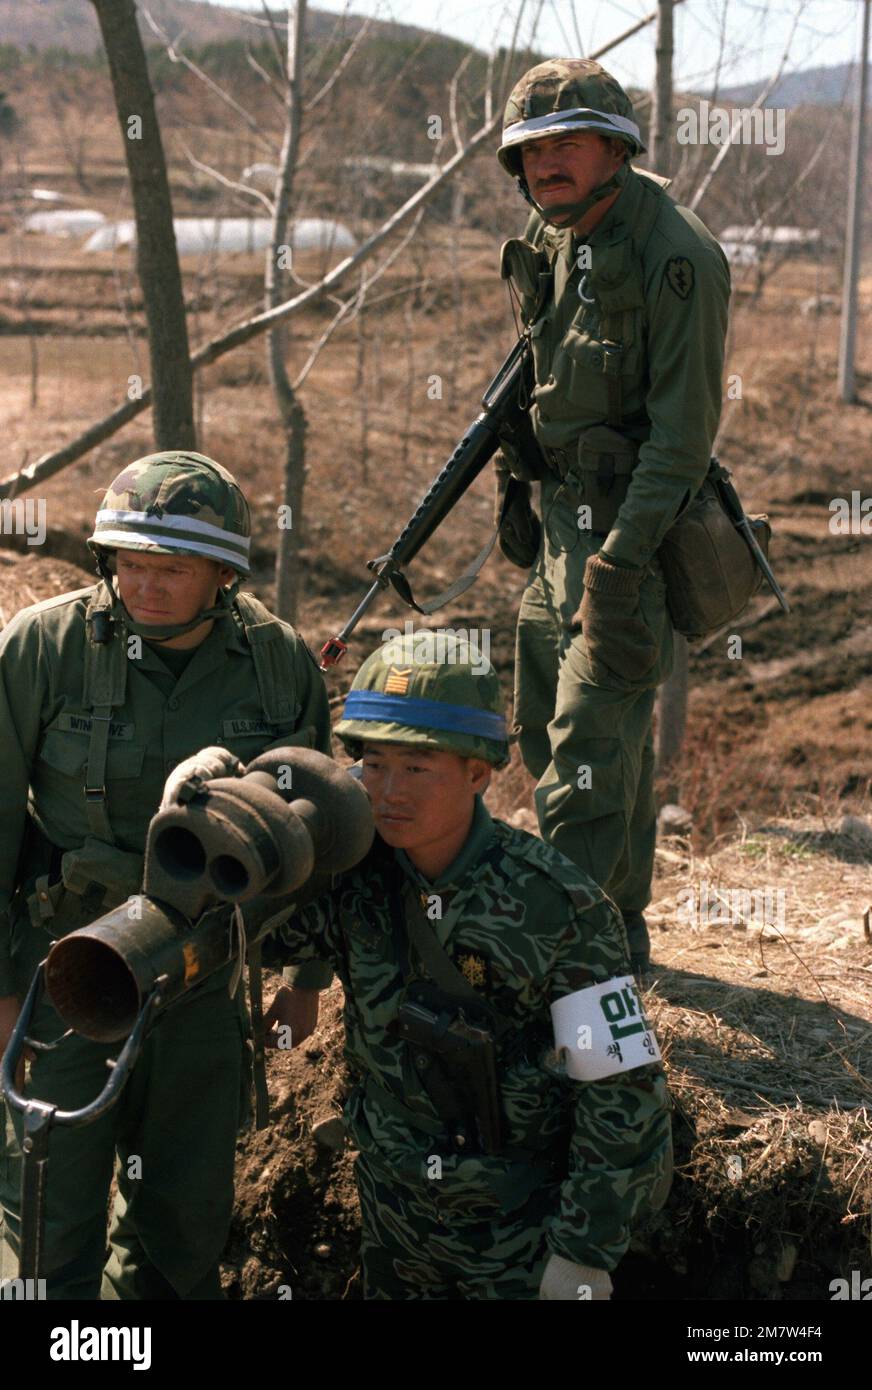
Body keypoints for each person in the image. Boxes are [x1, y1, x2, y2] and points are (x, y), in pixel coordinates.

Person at [0, 450, 331, 1299]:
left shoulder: (278, 661)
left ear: (221, 575)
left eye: (171, 570)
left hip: (201, 976)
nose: (144, 587)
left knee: (182, 1226)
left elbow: (311, 828)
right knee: (43, 1216)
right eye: (130, 566)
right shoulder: (44, 647)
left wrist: (302, 974)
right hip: (64, 970)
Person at [262, 632, 672, 1300]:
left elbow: (621, 1089)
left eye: (417, 768)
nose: (388, 791)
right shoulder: (353, 877)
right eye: (373, 764)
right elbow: (256, 938)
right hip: (392, 1218)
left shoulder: (557, 906)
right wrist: (221, 814)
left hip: (516, 1236)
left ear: (478, 772)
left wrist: (584, 1254)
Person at [493, 60, 731, 971]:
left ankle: (570, 977)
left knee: (589, 750)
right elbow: (543, 374)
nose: (547, 163)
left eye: (568, 144)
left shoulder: (678, 255)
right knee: (552, 728)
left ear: (615, 149)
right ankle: (617, 933)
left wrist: (621, 562)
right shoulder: (550, 234)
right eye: (532, 150)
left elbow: (681, 440)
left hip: (632, 536)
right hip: (559, 525)